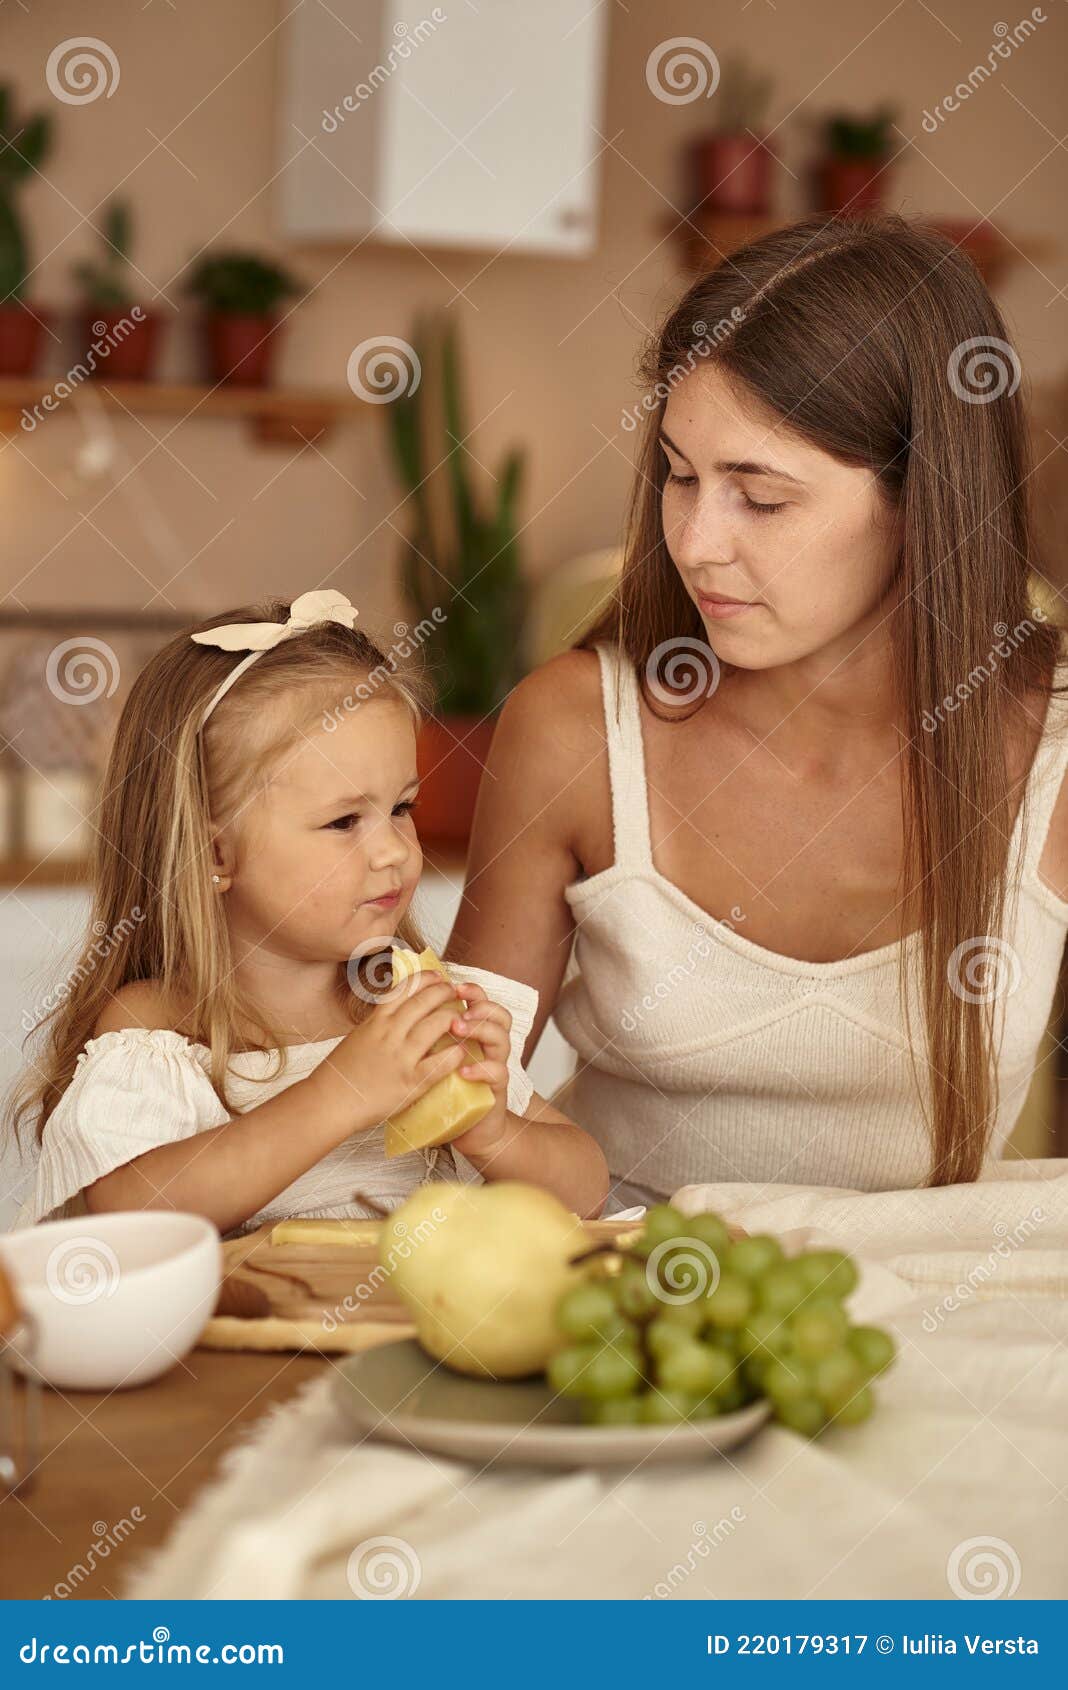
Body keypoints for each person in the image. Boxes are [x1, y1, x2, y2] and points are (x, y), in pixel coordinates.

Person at [447, 213, 1068, 1206]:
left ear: (925, 499)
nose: (695, 543)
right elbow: (445, 1111)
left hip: (925, 1317)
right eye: (680, 476)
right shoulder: (573, 730)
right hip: (620, 1308)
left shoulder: (1055, 747)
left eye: (761, 498)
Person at [10, 590, 608, 1236]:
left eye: (401, 808)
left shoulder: (413, 1011)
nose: (392, 852)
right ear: (215, 852)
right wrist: (341, 1095)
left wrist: (494, 1131)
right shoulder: (165, 1026)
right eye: (344, 821)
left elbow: (588, 1185)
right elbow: (130, 1210)